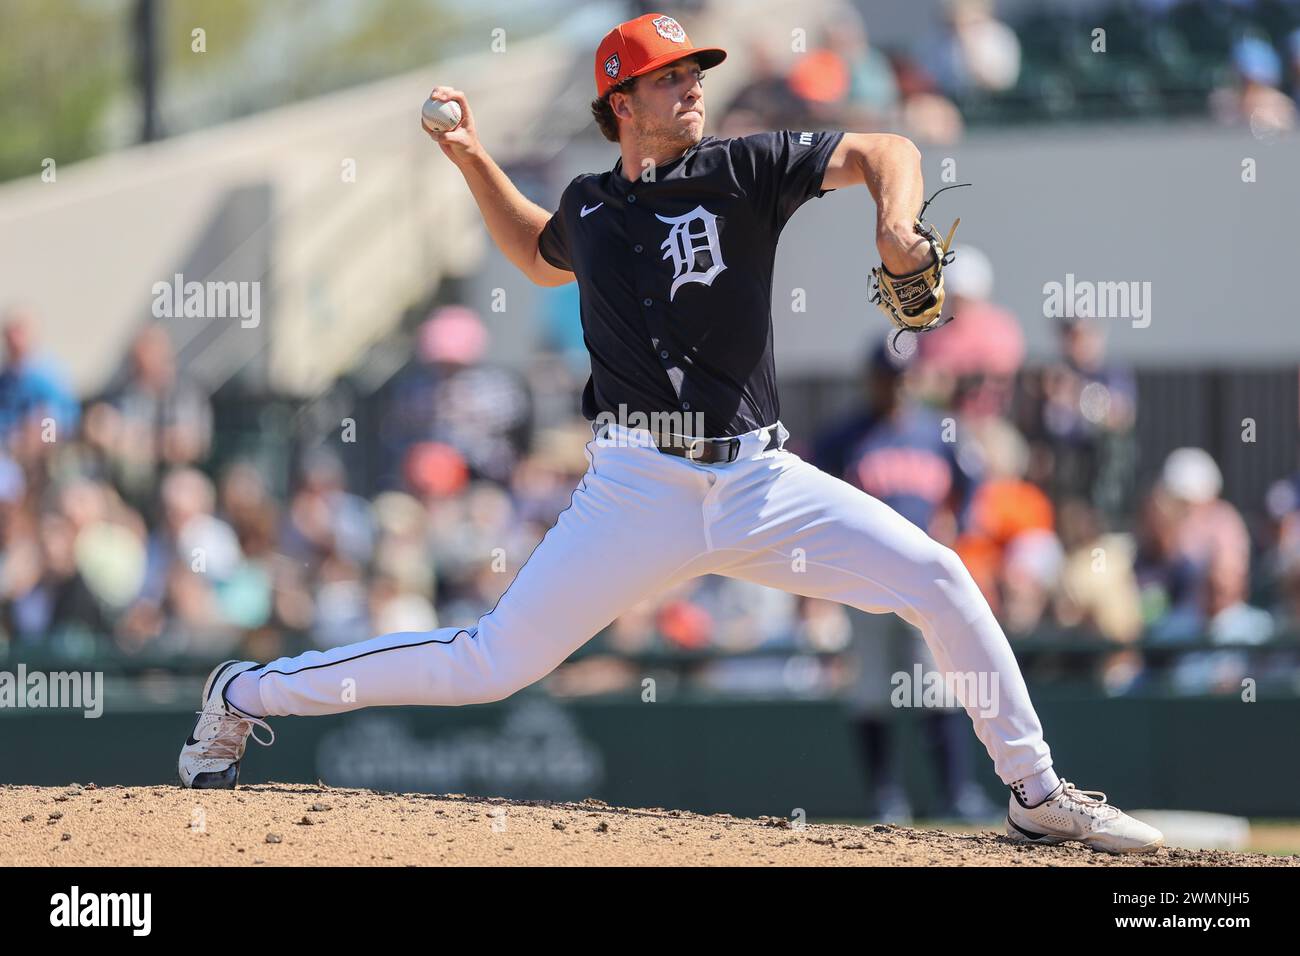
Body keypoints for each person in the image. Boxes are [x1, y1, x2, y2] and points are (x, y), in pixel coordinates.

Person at [178, 12, 1161, 854]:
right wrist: (471, 155)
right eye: (669, 78)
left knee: (940, 575)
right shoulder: (593, 207)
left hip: (759, 481)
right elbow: (533, 253)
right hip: (634, 489)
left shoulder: (746, 168)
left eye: (694, 72)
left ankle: (1034, 794)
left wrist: (894, 227)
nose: (691, 87)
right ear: (621, 104)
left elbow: (882, 153)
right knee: (485, 664)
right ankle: (244, 693)